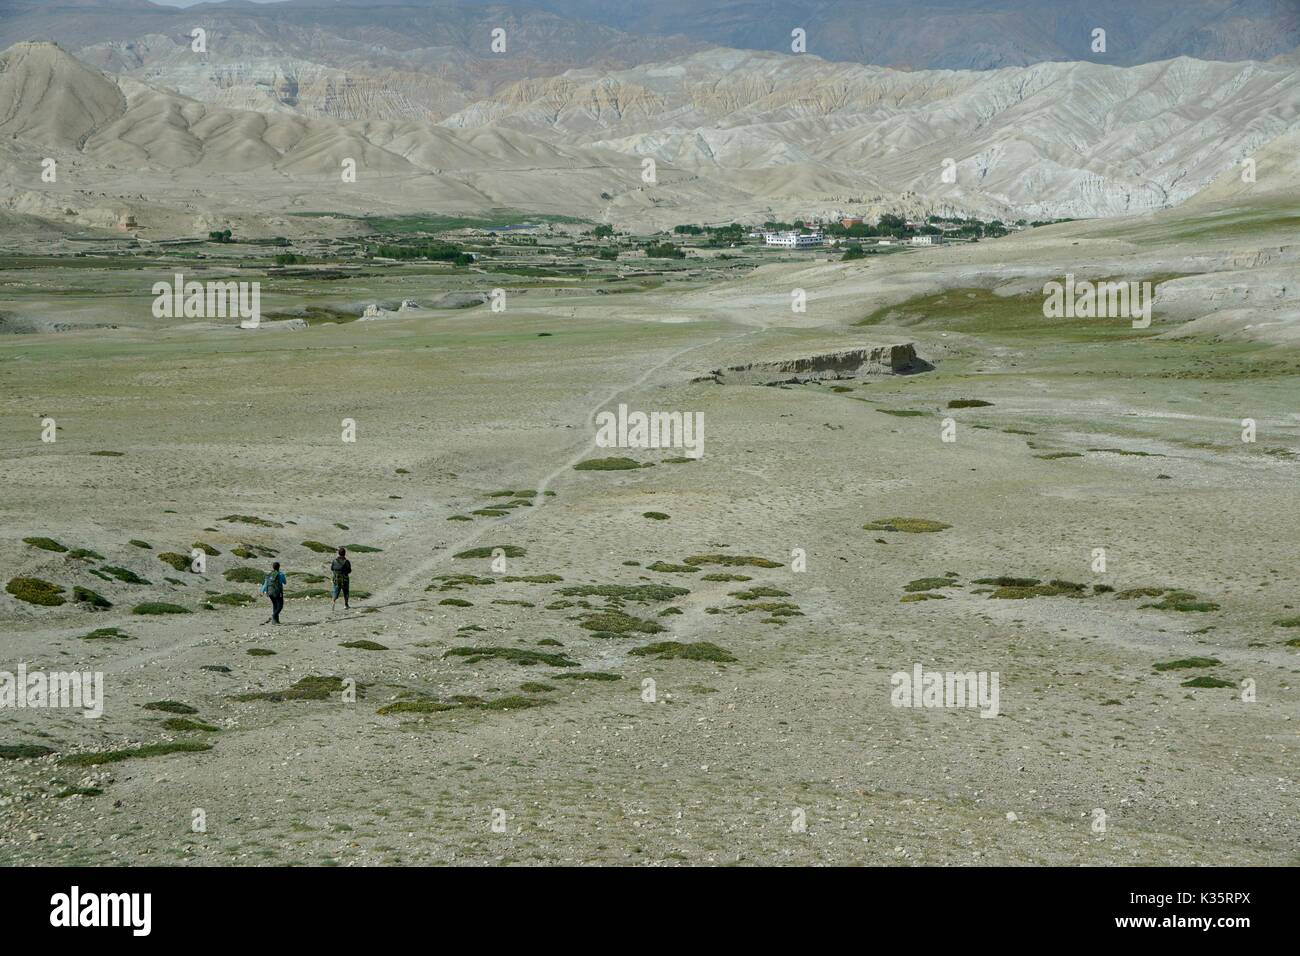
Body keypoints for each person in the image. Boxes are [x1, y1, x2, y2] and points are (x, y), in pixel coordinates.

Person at [260, 561, 286, 625]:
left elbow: (265, 584)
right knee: (280, 606)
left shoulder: (269, 574)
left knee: (275, 605)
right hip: (278, 592)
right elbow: (285, 582)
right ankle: (274, 616)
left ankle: (275, 621)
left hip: (270, 592)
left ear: (273, 567)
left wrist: (262, 591)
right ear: (279, 567)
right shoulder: (280, 574)